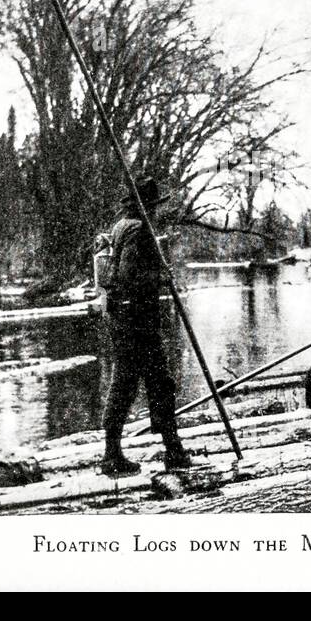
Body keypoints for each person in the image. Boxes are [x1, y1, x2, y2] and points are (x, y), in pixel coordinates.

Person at [98, 177, 192, 475]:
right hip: (136, 320)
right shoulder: (138, 231)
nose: (154, 213)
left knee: (133, 383)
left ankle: (162, 449)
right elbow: (128, 277)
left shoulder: (120, 226)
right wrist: (159, 278)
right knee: (154, 383)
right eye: (152, 207)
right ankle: (169, 450)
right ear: (146, 207)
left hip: (122, 318)